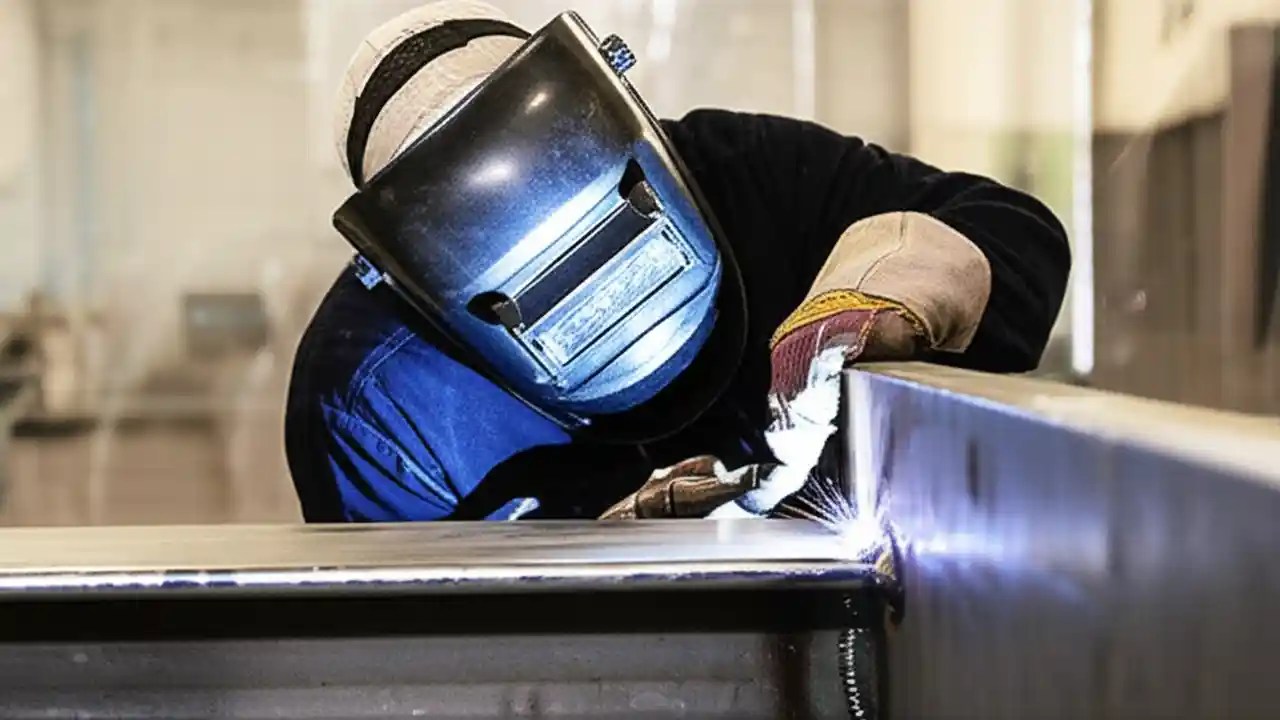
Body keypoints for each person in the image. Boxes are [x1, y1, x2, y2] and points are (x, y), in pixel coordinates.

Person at [285, 0, 1070, 523]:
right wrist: (613, 579)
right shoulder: (372, 401)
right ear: (411, 272)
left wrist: (875, 301)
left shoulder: (738, 169)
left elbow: (1011, 230)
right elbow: (427, 662)